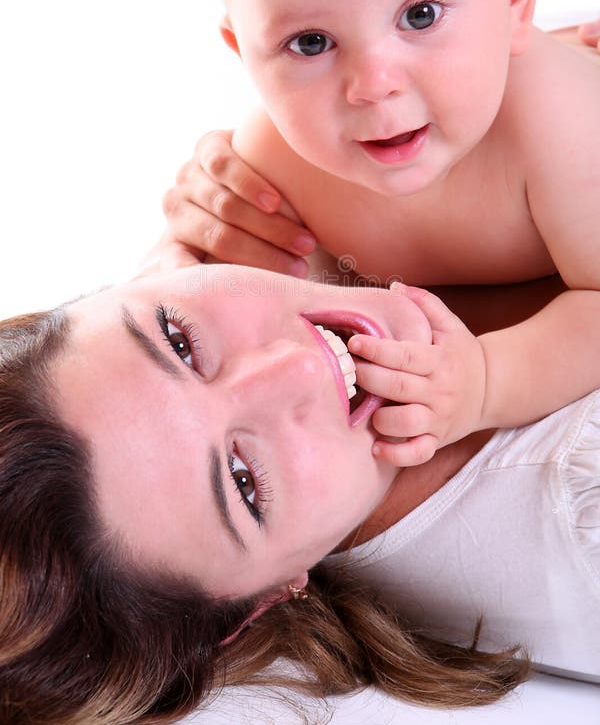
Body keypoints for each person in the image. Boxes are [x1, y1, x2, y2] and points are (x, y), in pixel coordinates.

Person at [153, 0, 600, 472]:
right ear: (245, 53)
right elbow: (214, 299)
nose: (372, 85)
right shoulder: (268, 173)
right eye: (310, 43)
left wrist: (484, 380)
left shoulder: (560, 128)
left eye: (420, 15)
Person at [1, 262, 599, 725]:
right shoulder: (580, 500)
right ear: (262, 602)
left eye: (178, 341)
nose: (301, 364)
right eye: (243, 483)